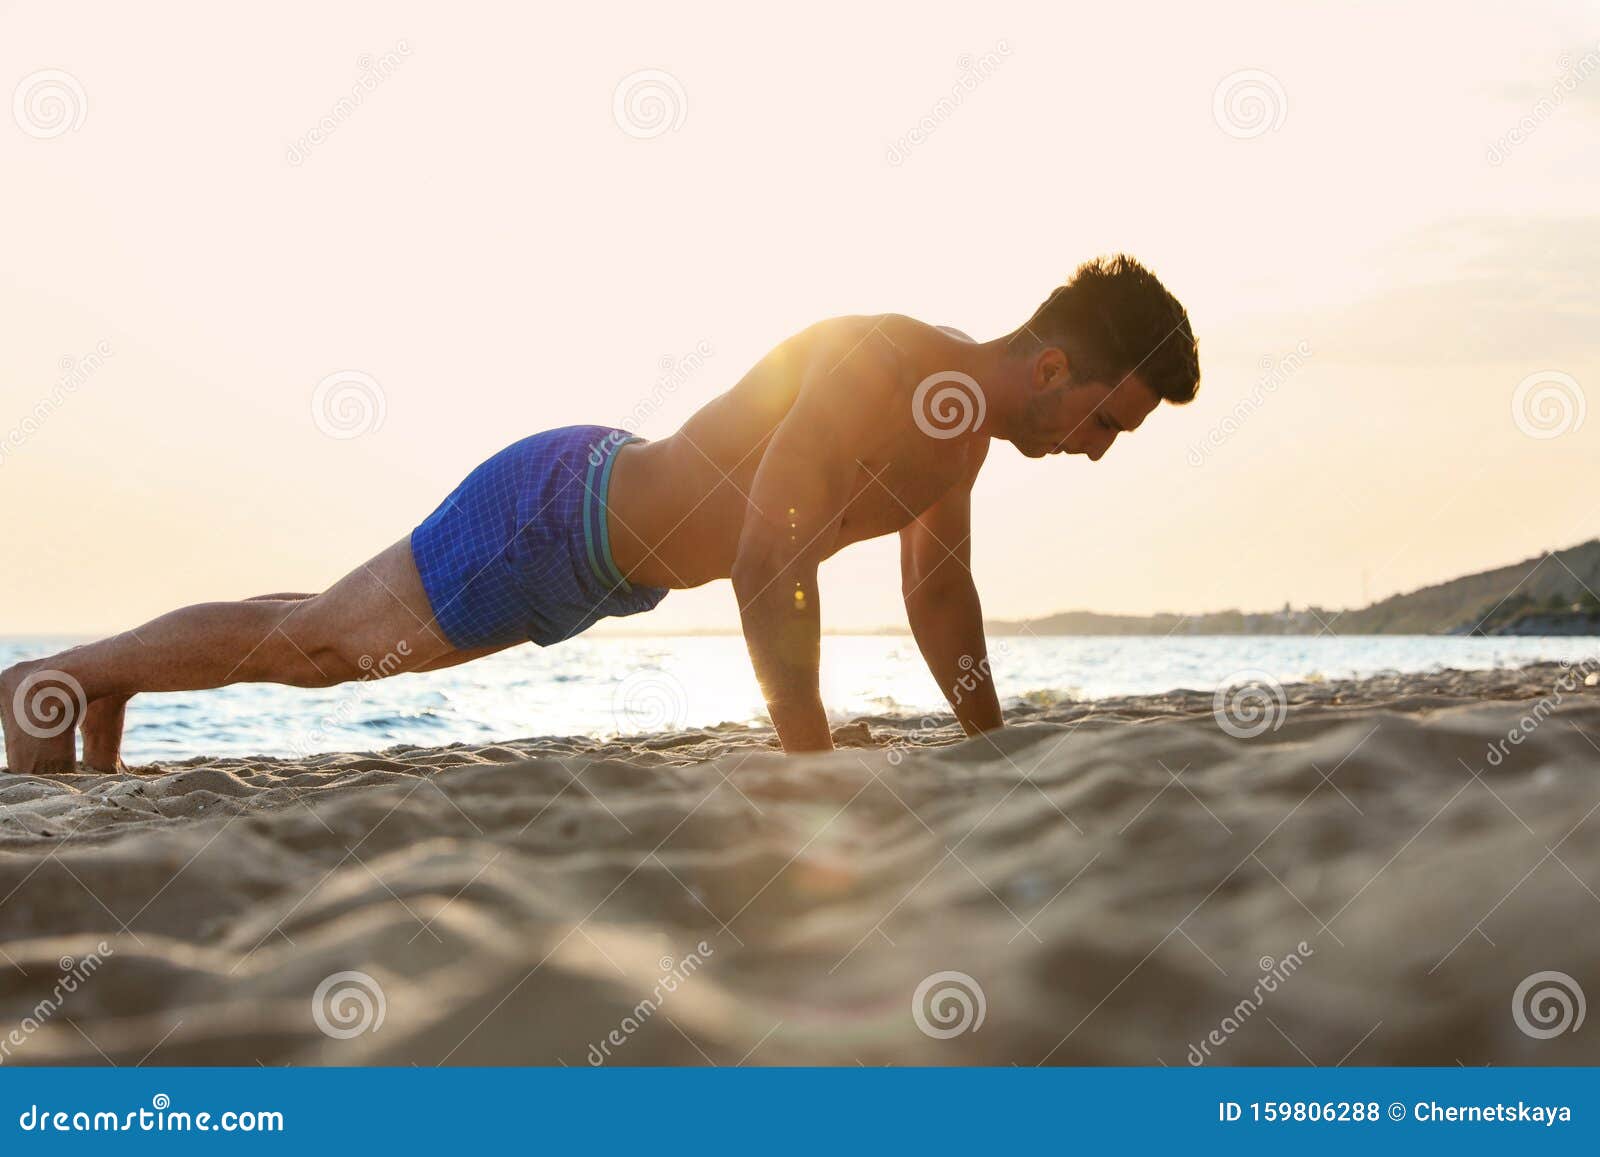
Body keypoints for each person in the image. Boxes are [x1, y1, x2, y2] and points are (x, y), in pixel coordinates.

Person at [2, 255, 1199, 772]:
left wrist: (988, 747)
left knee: (317, 629)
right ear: (1054, 367)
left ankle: (106, 680)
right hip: (558, 514)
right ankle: (51, 681)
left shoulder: (958, 440)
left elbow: (938, 594)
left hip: (595, 564)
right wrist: (809, 764)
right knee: (327, 649)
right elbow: (768, 555)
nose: (1098, 450)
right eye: (1109, 419)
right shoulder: (888, 364)